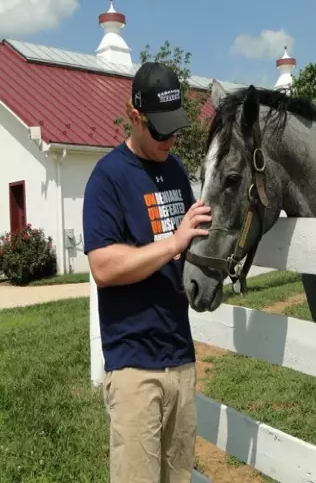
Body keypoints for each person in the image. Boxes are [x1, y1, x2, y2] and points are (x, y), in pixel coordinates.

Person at [82, 61, 211, 483]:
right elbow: (102, 266)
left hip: (180, 359)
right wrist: (172, 244)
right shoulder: (108, 178)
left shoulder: (175, 172)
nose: (170, 139)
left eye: (175, 128)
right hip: (135, 367)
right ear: (134, 116)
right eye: (160, 129)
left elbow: (194, 243)